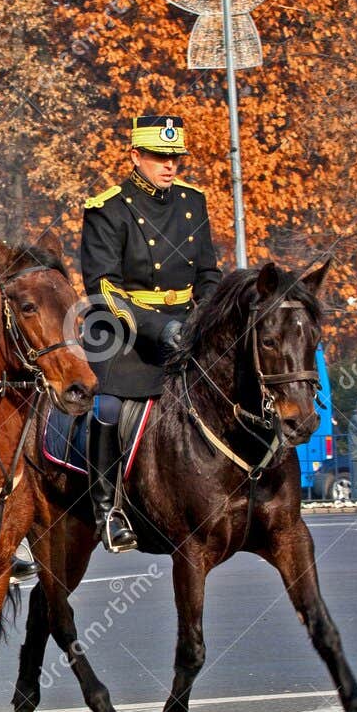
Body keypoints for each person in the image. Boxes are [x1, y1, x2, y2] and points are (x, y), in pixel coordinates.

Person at [80, 112, 221, 550]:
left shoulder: (192, 202)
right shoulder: (108, 209)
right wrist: (160, 327)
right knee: (107, 407)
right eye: (160, 156)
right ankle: (108, 509)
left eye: (174, 156)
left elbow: (208, 273)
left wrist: (209, 317)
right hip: (126, 335)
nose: (169, 165)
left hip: (186, 330)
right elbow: (103, 287)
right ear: (136, 155)